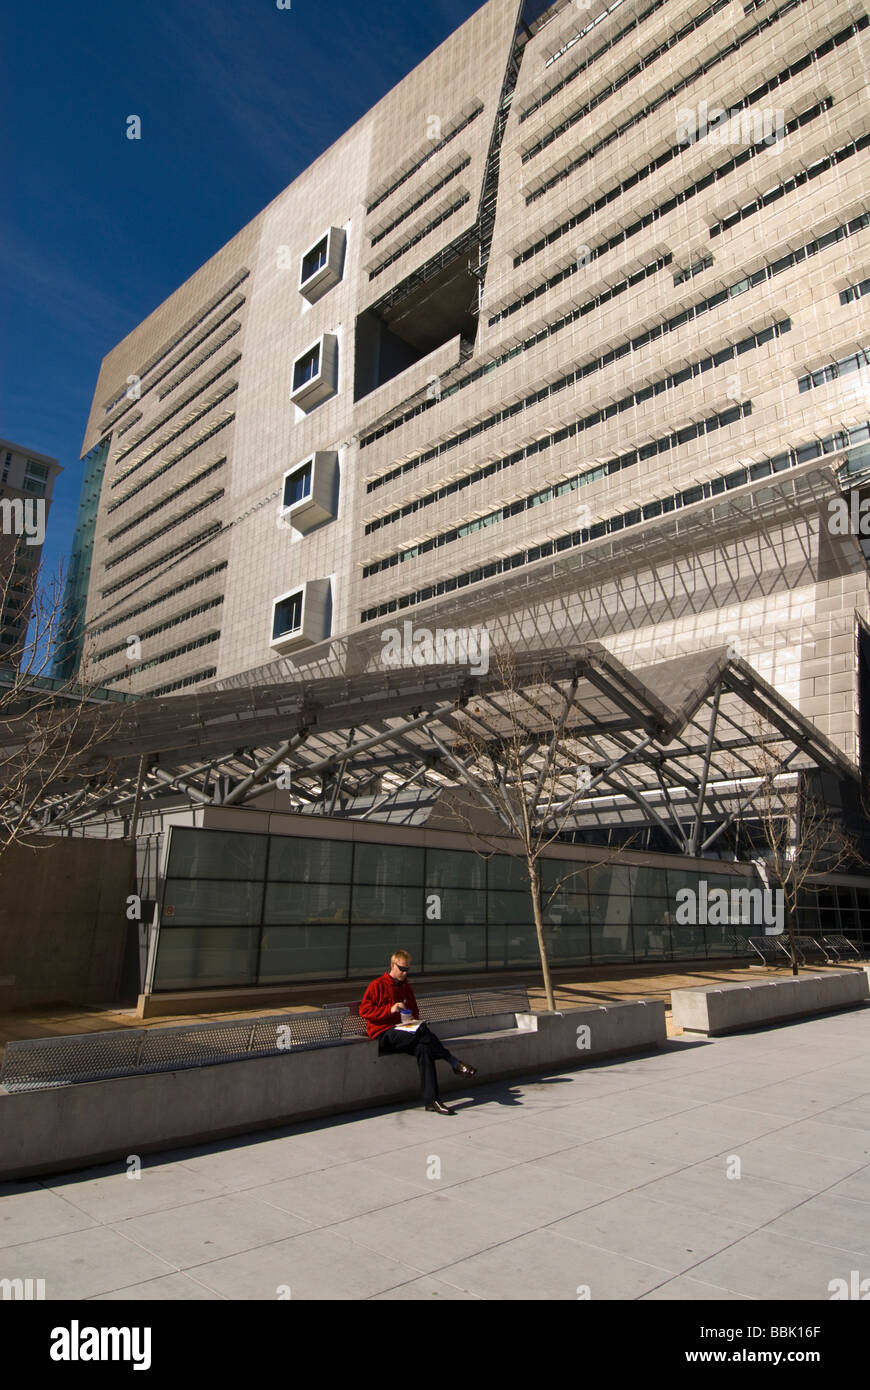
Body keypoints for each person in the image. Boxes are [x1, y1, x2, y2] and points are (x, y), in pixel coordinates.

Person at [359, 950, 477, 1115]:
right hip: (383, 1035)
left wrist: (411, 1019)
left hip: (404, 1033)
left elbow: (414, 1010)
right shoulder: (377, 985)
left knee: (425, 1049)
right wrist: (390, 1009)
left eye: (407, 970)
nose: (405, 973)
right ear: (393, 965)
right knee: (422, 1031)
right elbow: (364, 1011)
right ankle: (453, 1062)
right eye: (402, 969)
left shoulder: (406, 987)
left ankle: (432, 1101)